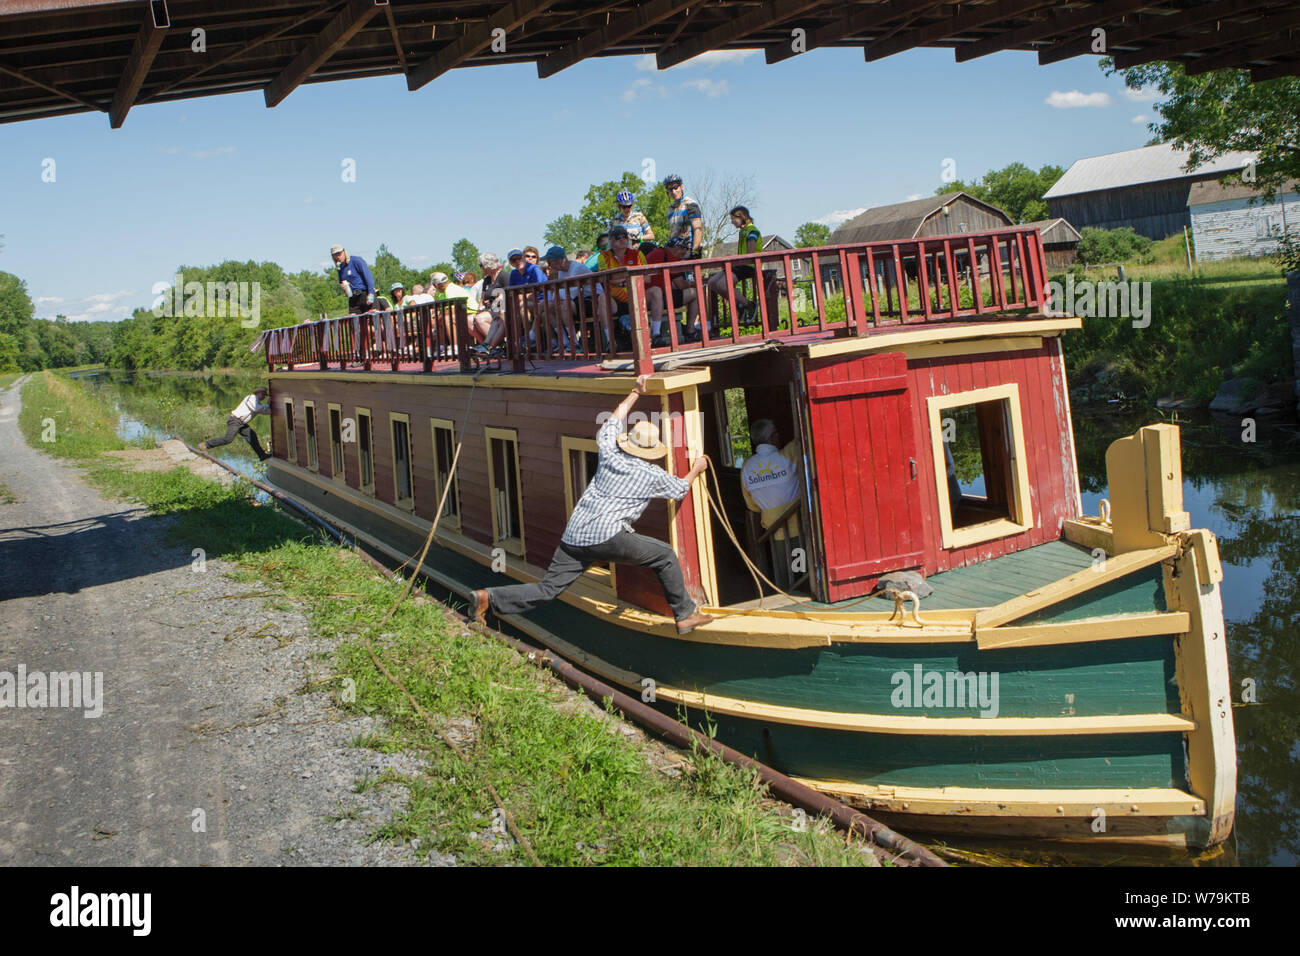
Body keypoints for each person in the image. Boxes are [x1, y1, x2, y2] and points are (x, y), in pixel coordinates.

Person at [472, 375, 714, 635]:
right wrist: (697, 468)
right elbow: (679, 489)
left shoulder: (609, 452)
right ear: (652, 450)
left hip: (574, 537)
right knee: (665, 555)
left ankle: (488, 598)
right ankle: (686, 614)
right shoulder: (650, 474)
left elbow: (614, 419)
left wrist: (636, 391)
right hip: (608, 537)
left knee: (548, 589)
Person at [740, 419, 803, 589]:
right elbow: (801, 438)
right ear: (773, 437)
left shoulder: (747, 466)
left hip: (773, 529)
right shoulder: (788, 454)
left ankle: (785, 594)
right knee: (800, 568)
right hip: (797, 525)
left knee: (782, 572)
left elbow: (751, 504)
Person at [597, 226, 667, 349]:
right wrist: (629, 278)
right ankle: (610, 342)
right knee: (602, 298)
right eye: (618, 237)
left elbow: (647, 278)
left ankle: (656, 334)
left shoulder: (637, 254)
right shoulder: (603, 256)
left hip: (636, 295)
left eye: (625, 236)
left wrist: (621, 280)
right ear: (611, 241)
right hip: (616, 300)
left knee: (656, 291)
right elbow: (605, 279)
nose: (622, 239)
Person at [707, 205, 771, 325]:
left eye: (733, 219)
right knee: (712, 282)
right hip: (740, 264)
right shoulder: (743, 231)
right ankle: (740, 305)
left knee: (722, 284)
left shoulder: (752, 231)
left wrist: (736, 261)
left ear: (742, 217)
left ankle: (749, 305)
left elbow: (750, 253)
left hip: (748, 265)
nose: (732, 222)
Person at [645, 236, 700, 341]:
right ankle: (690, 330)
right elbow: (680, 285)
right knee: (696, 293)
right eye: (682, 253)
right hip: (657, 298)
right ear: (677, 248)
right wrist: (696, 283)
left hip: (650, 295)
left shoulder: (658, 253)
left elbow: (673, 284)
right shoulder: (668, 255)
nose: (681, 257)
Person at [201, 387, 271, 461]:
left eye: (265, 396)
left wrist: (271, 408)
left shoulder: (258, 403)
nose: (263, 397)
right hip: (235, 420)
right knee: (228, 439)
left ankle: (262, 455)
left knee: (252, 436)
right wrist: (267, 405)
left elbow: (265, 411)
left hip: (241, 423)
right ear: (258, 393)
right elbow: (256, 409)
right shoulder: (251, 398)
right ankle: (205, 445)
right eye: (263, 395)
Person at [470, 252, 510, 349]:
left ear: (487, 265)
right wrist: (479, 309)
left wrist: (498, 299)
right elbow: (482, 298)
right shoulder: (487, 280)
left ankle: (495, 345)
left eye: (481, 265)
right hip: (489, 309)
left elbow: (508, 294)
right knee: (469, 320)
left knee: (480, 319)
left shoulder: (503, 276)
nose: (480, 268)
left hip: (501, 309)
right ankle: (485, 345)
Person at [662, 174, 703, 258]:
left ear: (681, 187)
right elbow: (672, 232)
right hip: (675, 252)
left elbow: (697, 229)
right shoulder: (670, 209)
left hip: (689, 249)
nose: (673, 191)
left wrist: (694, 251)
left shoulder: (690, 204)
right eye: (670, 189)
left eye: (675, 187)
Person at [331, 244, 376, 314]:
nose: (338, 257)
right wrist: (343, 287)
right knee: (354, 322)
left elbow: (368, 277)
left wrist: (370, 293)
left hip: (364, 294)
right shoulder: (340, 268)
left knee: (370, 321)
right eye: (335, 255)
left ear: (344, 252)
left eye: (339, 254)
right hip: (353, 298)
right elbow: (341, 282)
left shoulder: (356, 261)